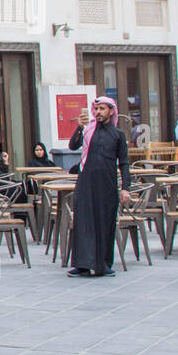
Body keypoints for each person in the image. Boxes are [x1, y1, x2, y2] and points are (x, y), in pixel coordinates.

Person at [68, 96, 131, 277]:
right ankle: (82, 264)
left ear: (111, 111)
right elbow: (73, 146)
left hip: (107, 185)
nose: (98, 112)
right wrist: (79, 127)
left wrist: (125, 187)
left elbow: (124, 163)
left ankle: (103, 264)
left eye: (102, 109)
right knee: (83, 222)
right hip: (86, 183)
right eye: (96, 109)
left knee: (105, 223)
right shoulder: (88, 131)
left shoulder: (118, 135)